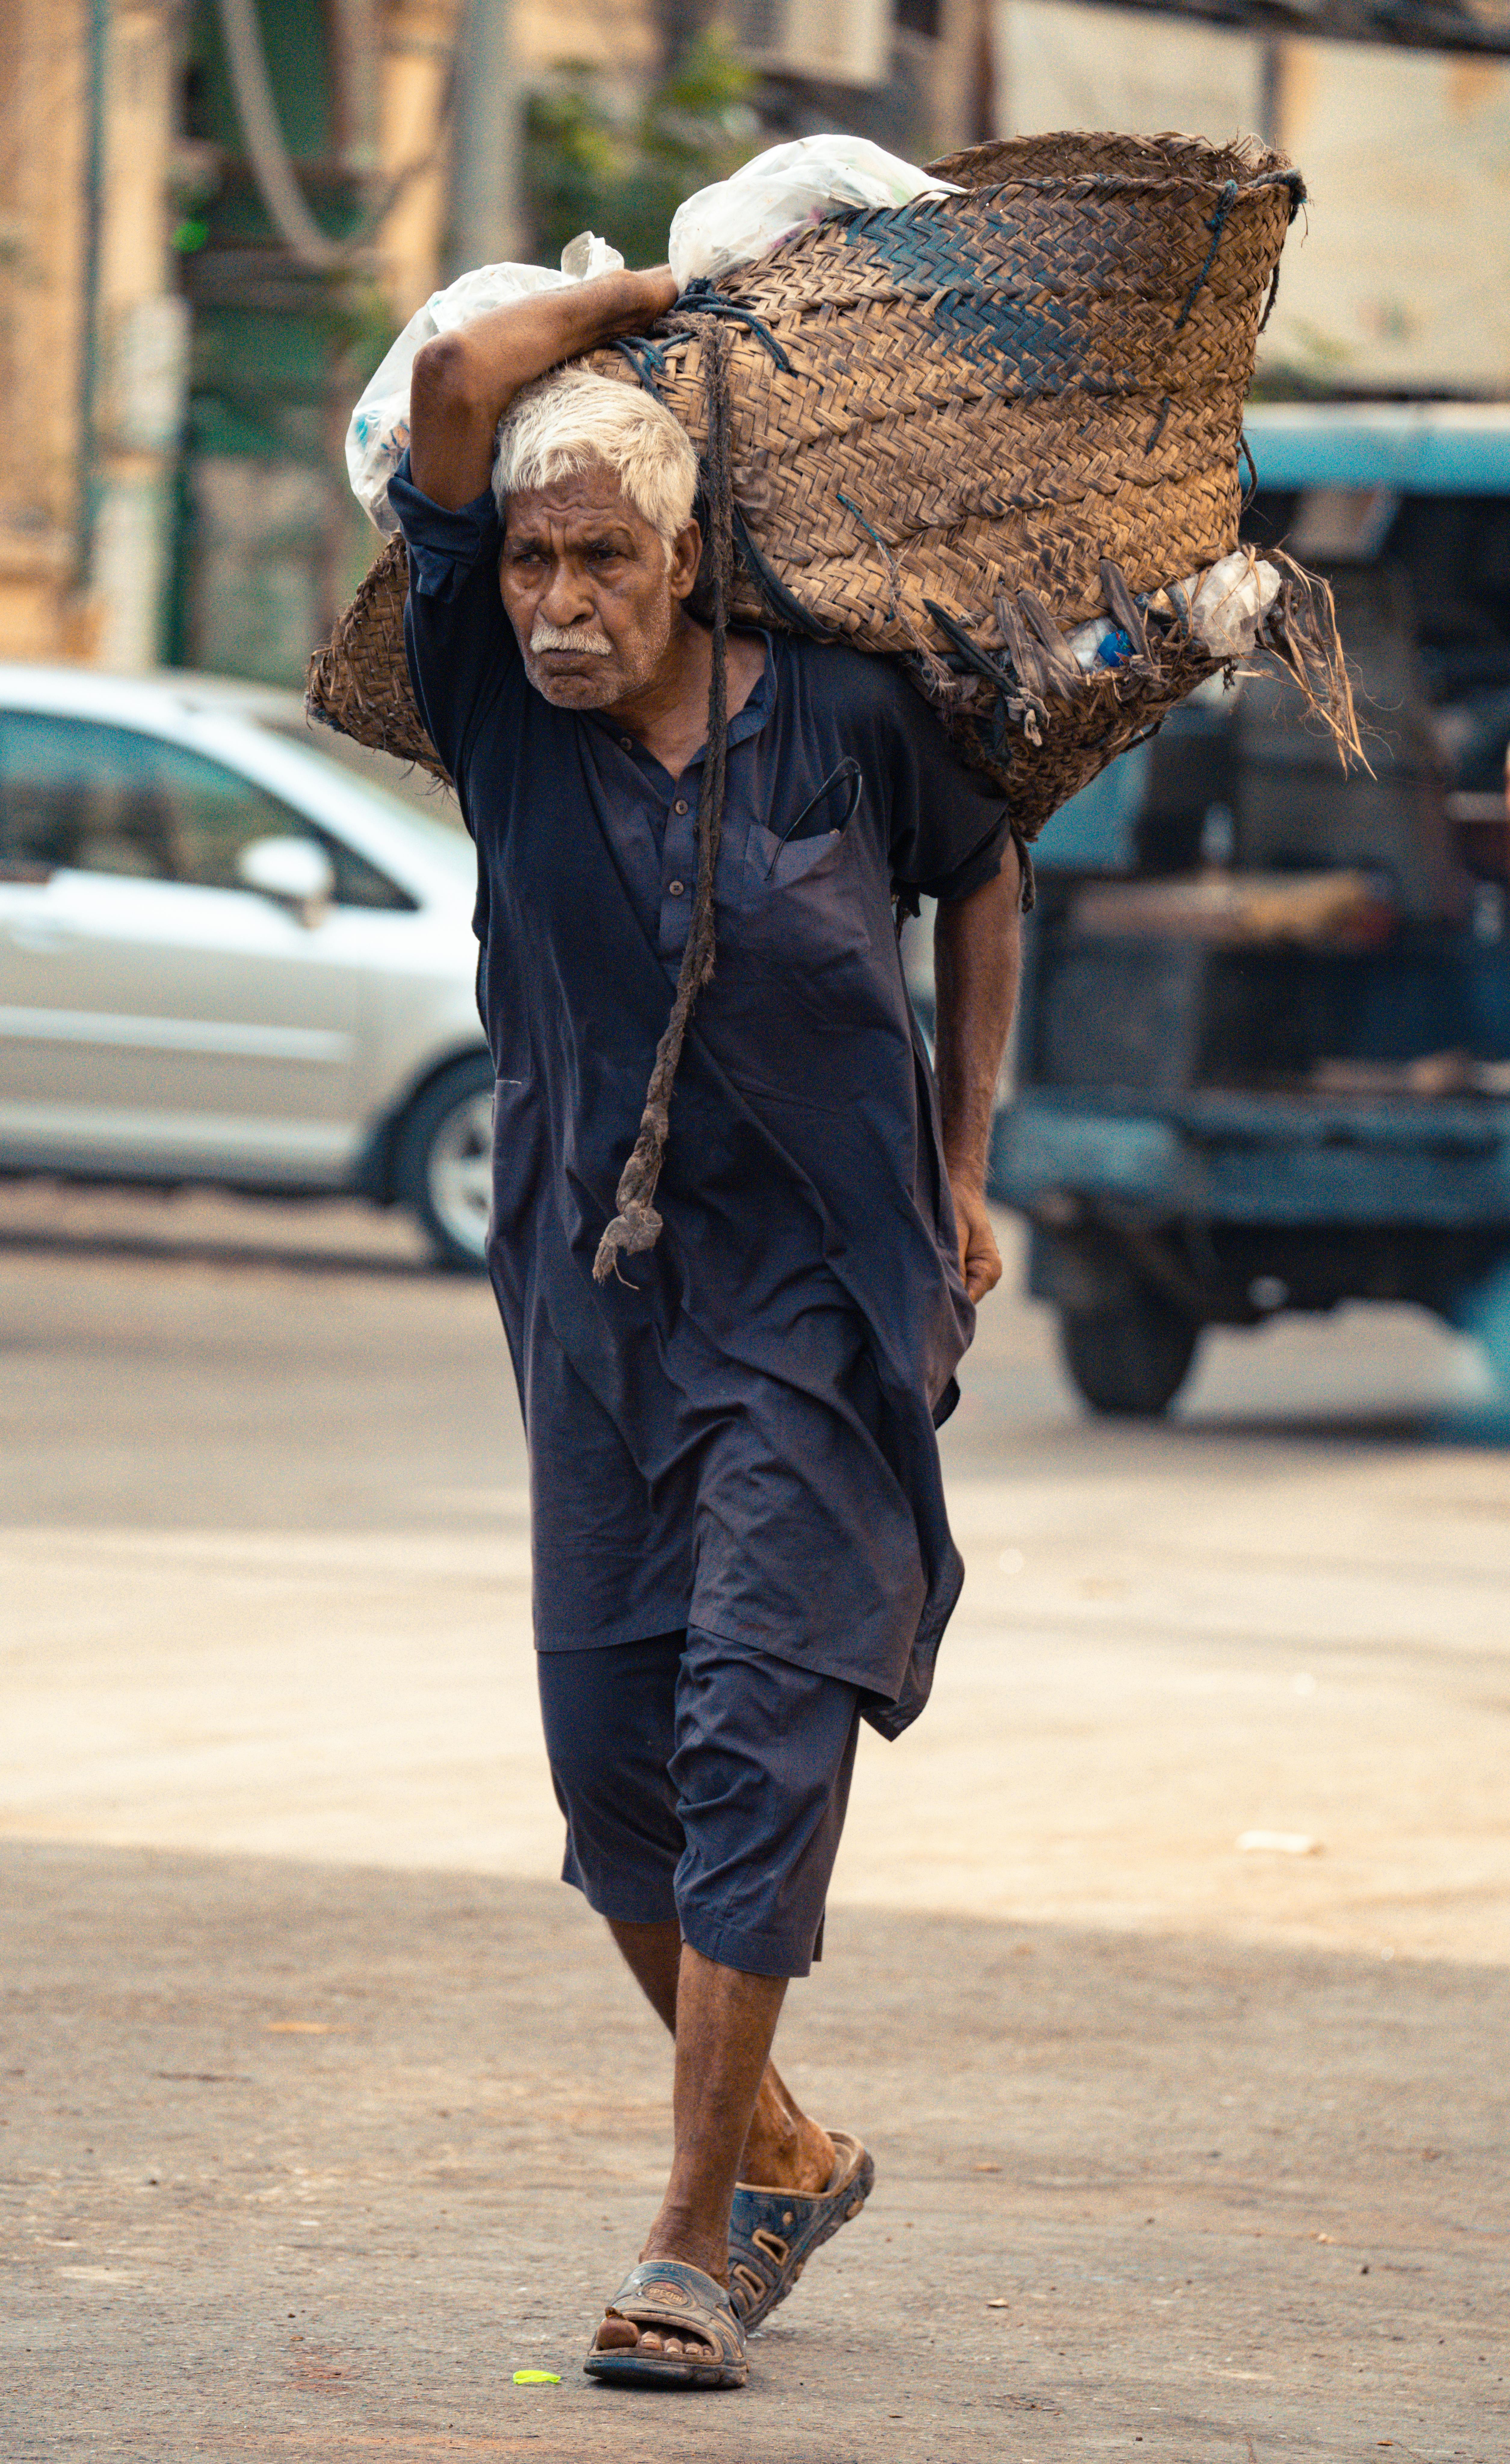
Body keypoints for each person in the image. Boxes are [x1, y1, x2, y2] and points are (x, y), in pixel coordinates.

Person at [395, 261, 1025, 2389]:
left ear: (690, 566)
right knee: (609, 1774)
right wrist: (653, 297)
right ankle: (786, 2148)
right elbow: (459, 377)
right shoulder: (495, 703)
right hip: (598, 1311)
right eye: (538, 560)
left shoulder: (837, 719)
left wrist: (959, 1162)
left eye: (605, 561)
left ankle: (691, 2233)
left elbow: (986, 874)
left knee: (754, 1715)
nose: (561, 598)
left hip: (824, 1307)